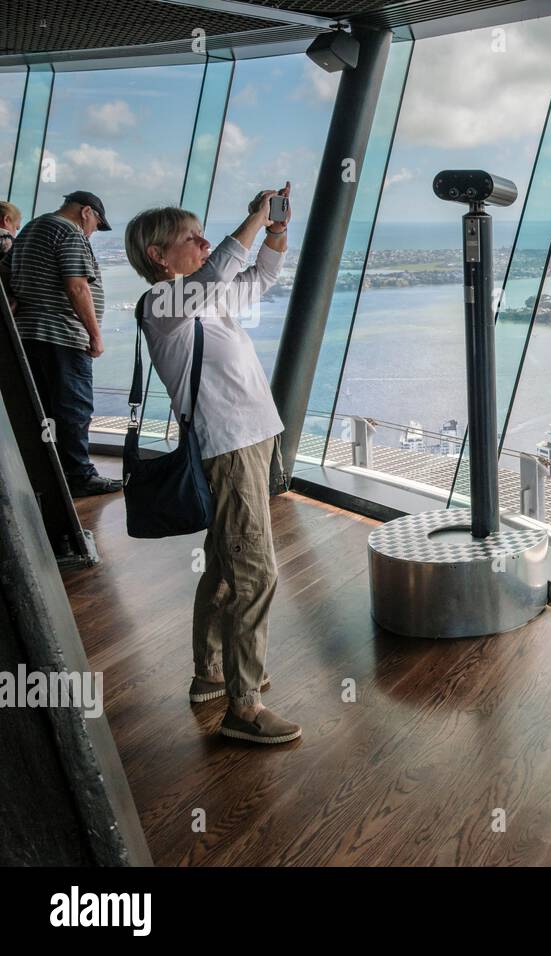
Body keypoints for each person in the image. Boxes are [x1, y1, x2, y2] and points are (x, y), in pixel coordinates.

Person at [123, 183, 301, 746]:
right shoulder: (161, 305)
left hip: (250, 438)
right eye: (190, 237)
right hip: (227, 445)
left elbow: (259, 279)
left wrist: (273, 232)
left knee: (227, 566)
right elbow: (220, 270)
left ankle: (212, 673)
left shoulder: (204, 300)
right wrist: (249, 221)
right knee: (256, 572)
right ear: (158, 256)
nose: (202, 242)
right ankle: (244, 708)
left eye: (204, 233)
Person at [10, 191, 121, 496]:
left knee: (44, 408)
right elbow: (77, 286)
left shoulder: (32, 229)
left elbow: (7, 277)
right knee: (73, 407)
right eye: (96, 225)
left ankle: (49, 474)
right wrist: (95, 334)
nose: (92, 232)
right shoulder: (69, 232)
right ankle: (79, 476)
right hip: (62, 336)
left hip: (29, 335)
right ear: (87, 211)